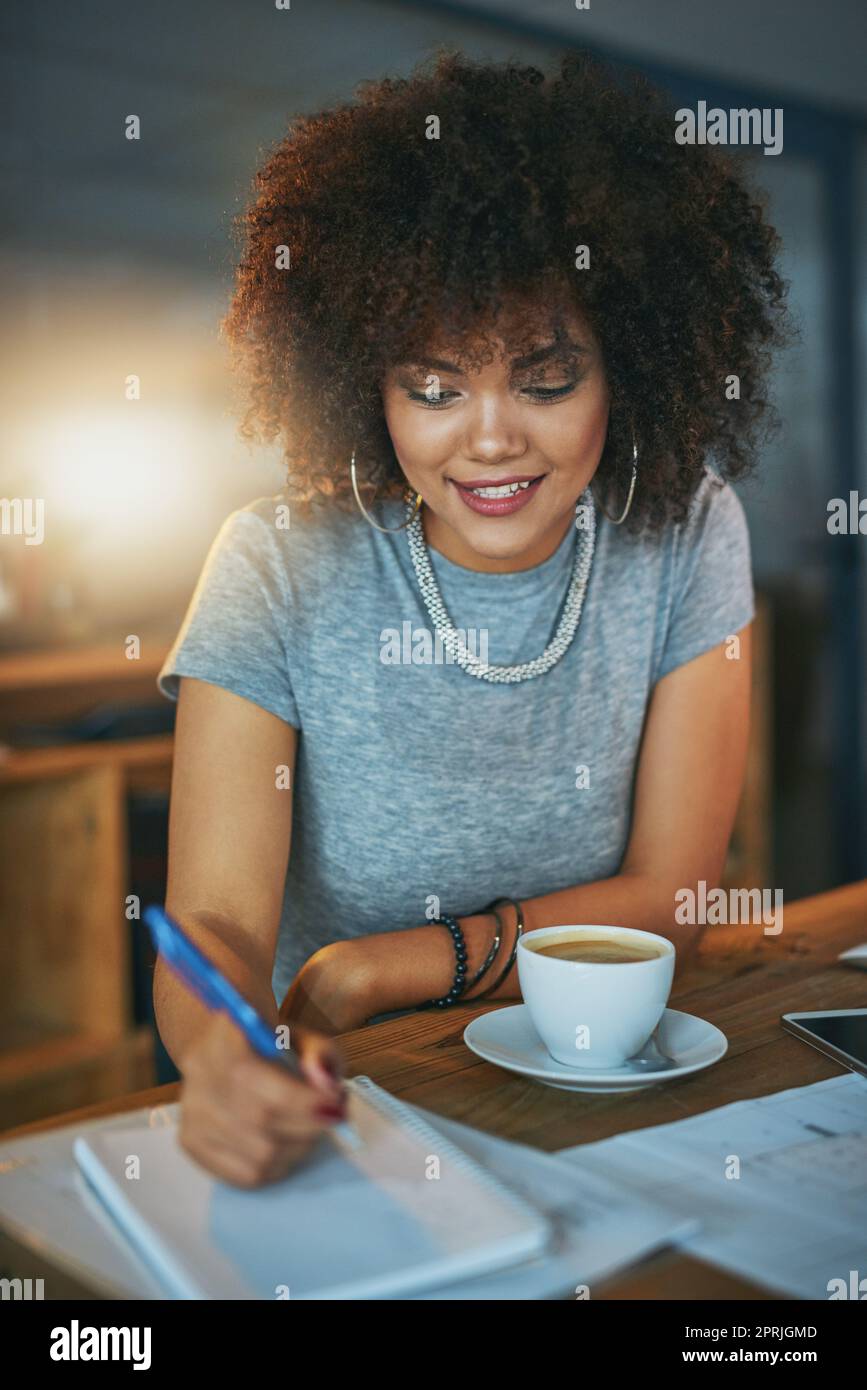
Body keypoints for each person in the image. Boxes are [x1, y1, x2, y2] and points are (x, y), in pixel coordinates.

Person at [154, 50, 787, 1186]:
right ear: (363, 383)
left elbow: (675, 895)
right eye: (434, 387)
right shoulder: (277, 565)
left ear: (631, 368)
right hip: (341, 1096)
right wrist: (218, 1060)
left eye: (545, 380)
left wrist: (380, 965)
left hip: (590, 1081)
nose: (489, 439)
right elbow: (218, 930)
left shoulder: (686, 527)